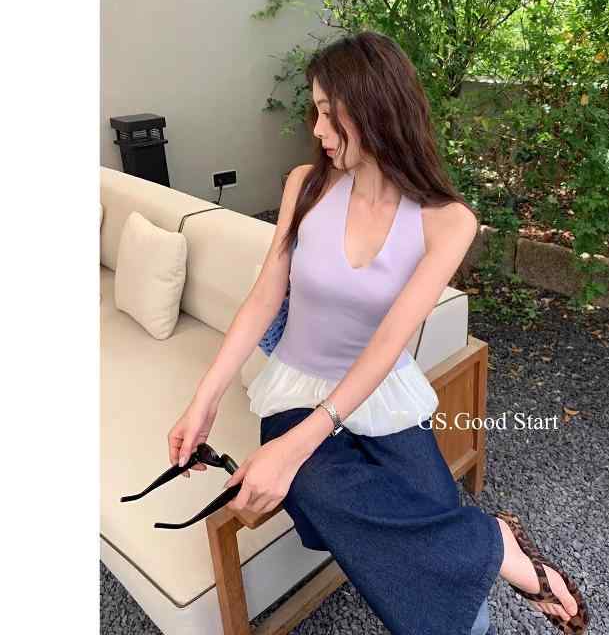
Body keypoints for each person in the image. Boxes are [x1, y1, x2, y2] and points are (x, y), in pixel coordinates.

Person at [167, 31, 587, 634]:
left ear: (374, 110)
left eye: (328, 113)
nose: (316, 128)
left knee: (428, 524)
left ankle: (484, 575)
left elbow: (389, 342)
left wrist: (296, 448)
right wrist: (203, 400)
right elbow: (264, 298)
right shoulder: (305, 185)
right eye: (314, 111)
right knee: (318, 482)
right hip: (296, 391)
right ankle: (493, 540)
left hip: (380, 392)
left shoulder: (447, 221)